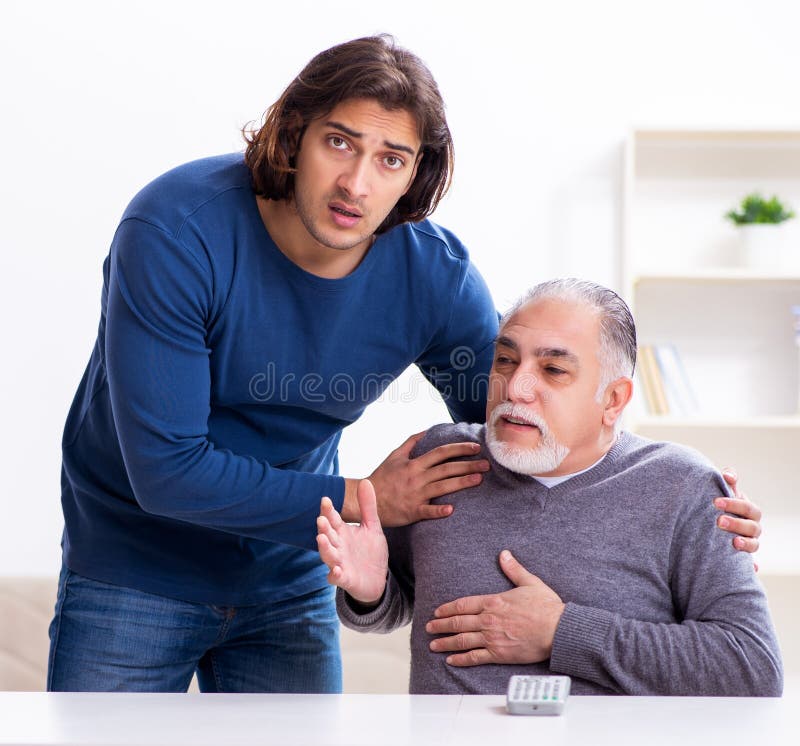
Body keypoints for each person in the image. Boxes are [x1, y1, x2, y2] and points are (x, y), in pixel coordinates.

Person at [49, 34, 760, 694]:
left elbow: (525, 421)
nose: (356, 184)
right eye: (339, 142)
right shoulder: (177, 232)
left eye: (391, 158)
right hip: (133, 565)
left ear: (416, 172)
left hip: (291, 571)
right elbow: (166, 471)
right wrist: (367, 498)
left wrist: (683, 503)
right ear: (293, 134)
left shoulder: (430, 275)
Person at [318, 279, 783, 696]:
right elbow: (398, 605)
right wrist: (370, 591)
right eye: (505, 360)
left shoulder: (684, 486)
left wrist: (562, 631)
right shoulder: (441, 458)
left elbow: (751, 668)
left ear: (613, 399)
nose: (515, 387)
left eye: (553, 370)